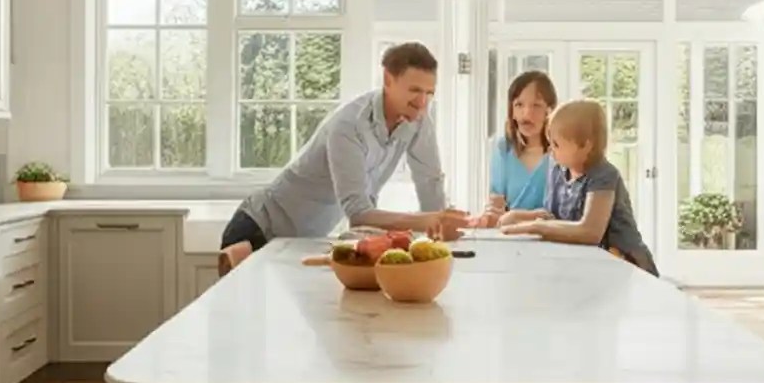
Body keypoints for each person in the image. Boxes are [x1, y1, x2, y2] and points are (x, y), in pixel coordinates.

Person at [219, 42, 468, 272]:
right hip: (258, 231)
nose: (422, 102)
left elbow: (430, 182)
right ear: (388, 80)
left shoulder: (419, 121)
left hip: (299, 243)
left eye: (429, 93)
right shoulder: (349, 125)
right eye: (414, 90)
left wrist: (441, 228)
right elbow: (358, 212)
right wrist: (428, 221)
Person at [500, 99, 659, 276]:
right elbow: (552, 217)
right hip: (586, 263)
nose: (551, 150)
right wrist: (518, 216)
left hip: (624, 264)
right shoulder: (558, 170)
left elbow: (590, 232)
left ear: (585, 145)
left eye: (557, 144)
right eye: (550, 142)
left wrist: (535, 227)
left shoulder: (603, 175)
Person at [471, 70, 557, 228]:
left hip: (551, 236)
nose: (526, 114)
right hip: (510, 235)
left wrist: (516, 217)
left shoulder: (560, 152)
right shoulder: (503, 148)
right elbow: (497, 206)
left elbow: (565, 214)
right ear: (512, 111)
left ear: (549, 110)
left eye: (536, 106)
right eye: (519, 105)